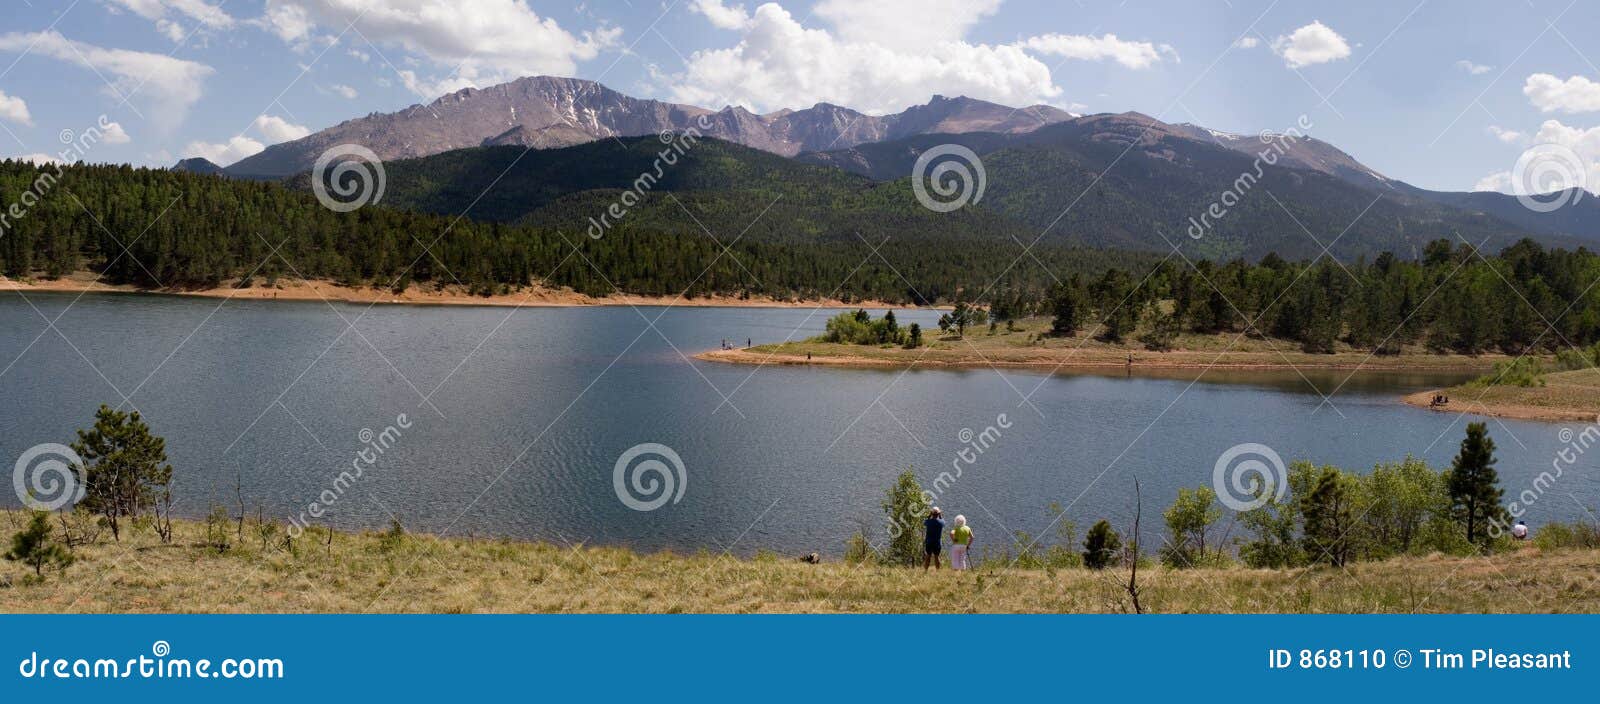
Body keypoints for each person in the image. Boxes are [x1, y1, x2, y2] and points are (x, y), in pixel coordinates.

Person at [922, 507, 945, 571]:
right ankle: (938, 570)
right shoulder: (941, 522)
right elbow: (943, 521)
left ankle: (925, 570)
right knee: (936, 557)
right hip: (937, 543)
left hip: (929, 542)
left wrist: (930, 515)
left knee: (928, 556)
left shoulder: (928, 522)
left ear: (932, 514)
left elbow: (925, 522)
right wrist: (940, 515)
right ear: (938, 514)